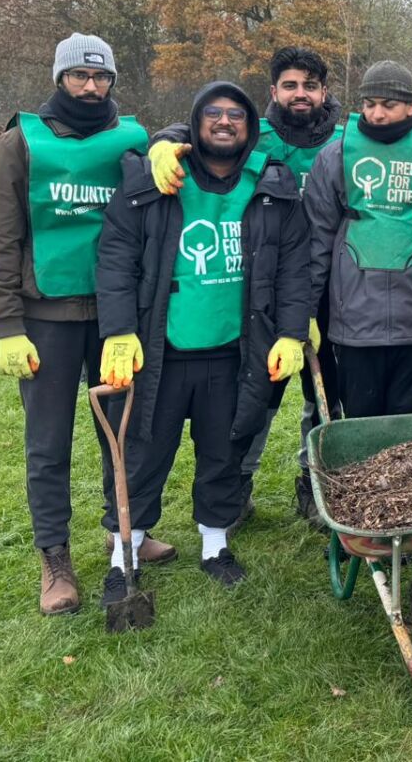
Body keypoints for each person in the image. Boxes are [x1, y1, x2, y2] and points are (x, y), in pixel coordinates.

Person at [95, 82, 311, 599]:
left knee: (226, 449)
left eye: (236, 114)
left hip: (234, 351)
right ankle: (126, 551)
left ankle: (216, 544)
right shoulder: (153, 179)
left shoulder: (272, 187)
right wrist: (120, 331)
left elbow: (295, 271)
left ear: (251, 127)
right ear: (194, 124)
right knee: (144, 451)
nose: (223, 122)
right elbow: (116, 258)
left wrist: (291, 332)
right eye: (211, 113)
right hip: (161, 350)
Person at [0, 33, 166, 614]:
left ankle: (124, 533)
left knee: (128, 431)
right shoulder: (23, 142)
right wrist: (7, 324)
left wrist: (170, 144)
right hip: (46, 319)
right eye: (80, 76)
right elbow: (1, 239)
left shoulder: (131, 139)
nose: (91, 86)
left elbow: (186, 144)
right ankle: (55, 558)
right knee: (48, 442)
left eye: (101, 76)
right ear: (60, 78)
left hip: (117, 318)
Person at [148, 47, 341, 526]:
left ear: (324, 92)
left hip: (334, 290)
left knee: (326, 397)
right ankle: (236, 487)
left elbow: (396, 136)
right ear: (273, 91)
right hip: (260, 291)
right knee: (256, 396)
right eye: (291, 85)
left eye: (310, 85)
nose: (301, 94)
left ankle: (316, 485)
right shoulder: (254, 135)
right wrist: (164, 140)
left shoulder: (345, 137)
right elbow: (200, 131)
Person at [302, 61, 412, 416]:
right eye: (370, 104)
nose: (377, 114)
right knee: (360, 419)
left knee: (406, 420)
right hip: (354, 318)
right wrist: (307, 311)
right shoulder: (336, 155)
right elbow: (318, 239)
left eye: (388, 105)